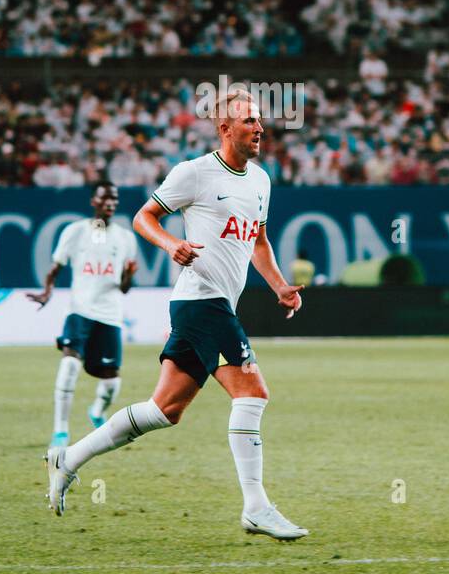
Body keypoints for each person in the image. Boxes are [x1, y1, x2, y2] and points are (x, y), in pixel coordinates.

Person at [44, 85, 308, 541]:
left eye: (260, 120)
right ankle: (256, 507)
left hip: (211, 306)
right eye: (249, 121)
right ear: (225, 128)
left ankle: (68, 459)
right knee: (252, 392)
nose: (260, 127)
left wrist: (280, 285)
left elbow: (258, 242)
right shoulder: (195, 173)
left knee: (165, 410)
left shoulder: (261, 180)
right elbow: (145, 217)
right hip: (201, 300)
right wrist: (173, 244)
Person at [27, 181, 137, 446]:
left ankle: (97, 411)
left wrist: (129, 277)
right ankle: (60, 432)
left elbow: (124, 288)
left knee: (112, 384)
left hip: (110, 314)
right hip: (79, 310)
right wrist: (46, 291)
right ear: (94, 202)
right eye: (105, 198)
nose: (110, 203)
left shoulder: (126, 238)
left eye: (114, 199)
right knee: (69, 365)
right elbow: (56, 266)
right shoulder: (75, 232)